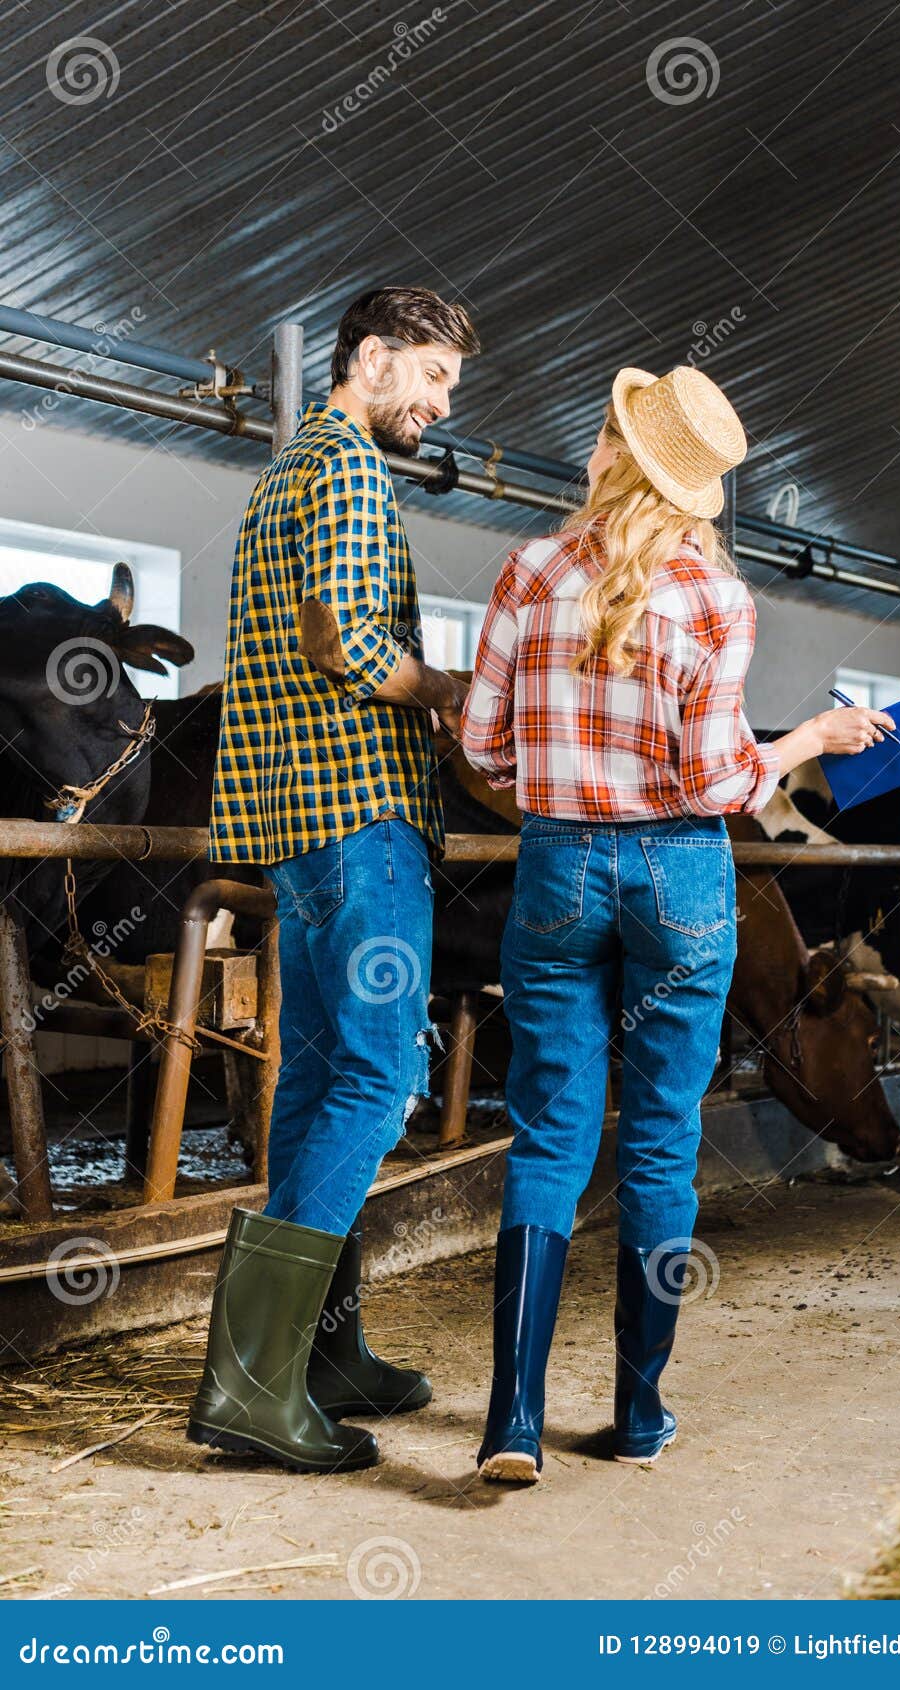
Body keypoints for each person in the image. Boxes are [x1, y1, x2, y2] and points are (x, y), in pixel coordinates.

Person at [461, 364, 894, 1482]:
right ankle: (639, 1413)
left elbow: (478, 749)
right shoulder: (715, 596)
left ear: (613, 450)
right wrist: (813, 744)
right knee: (660, 1143)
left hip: (557, 864)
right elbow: (717, 781)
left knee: (550, 1138)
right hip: (679, 881)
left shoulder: (529, 570)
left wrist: (557, 775)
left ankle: (511, 1422)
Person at [188, 286, 478, 1473]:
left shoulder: (288, 473)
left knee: (314, 1082)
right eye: (434, 376)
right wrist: (461, 695)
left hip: (295, 829)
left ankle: (321, 1349)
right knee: (378, 1074)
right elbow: (343, 642)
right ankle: (255, 1381)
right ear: (370, 358)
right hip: (360, 819)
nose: (443, 403)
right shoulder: (350, 468)